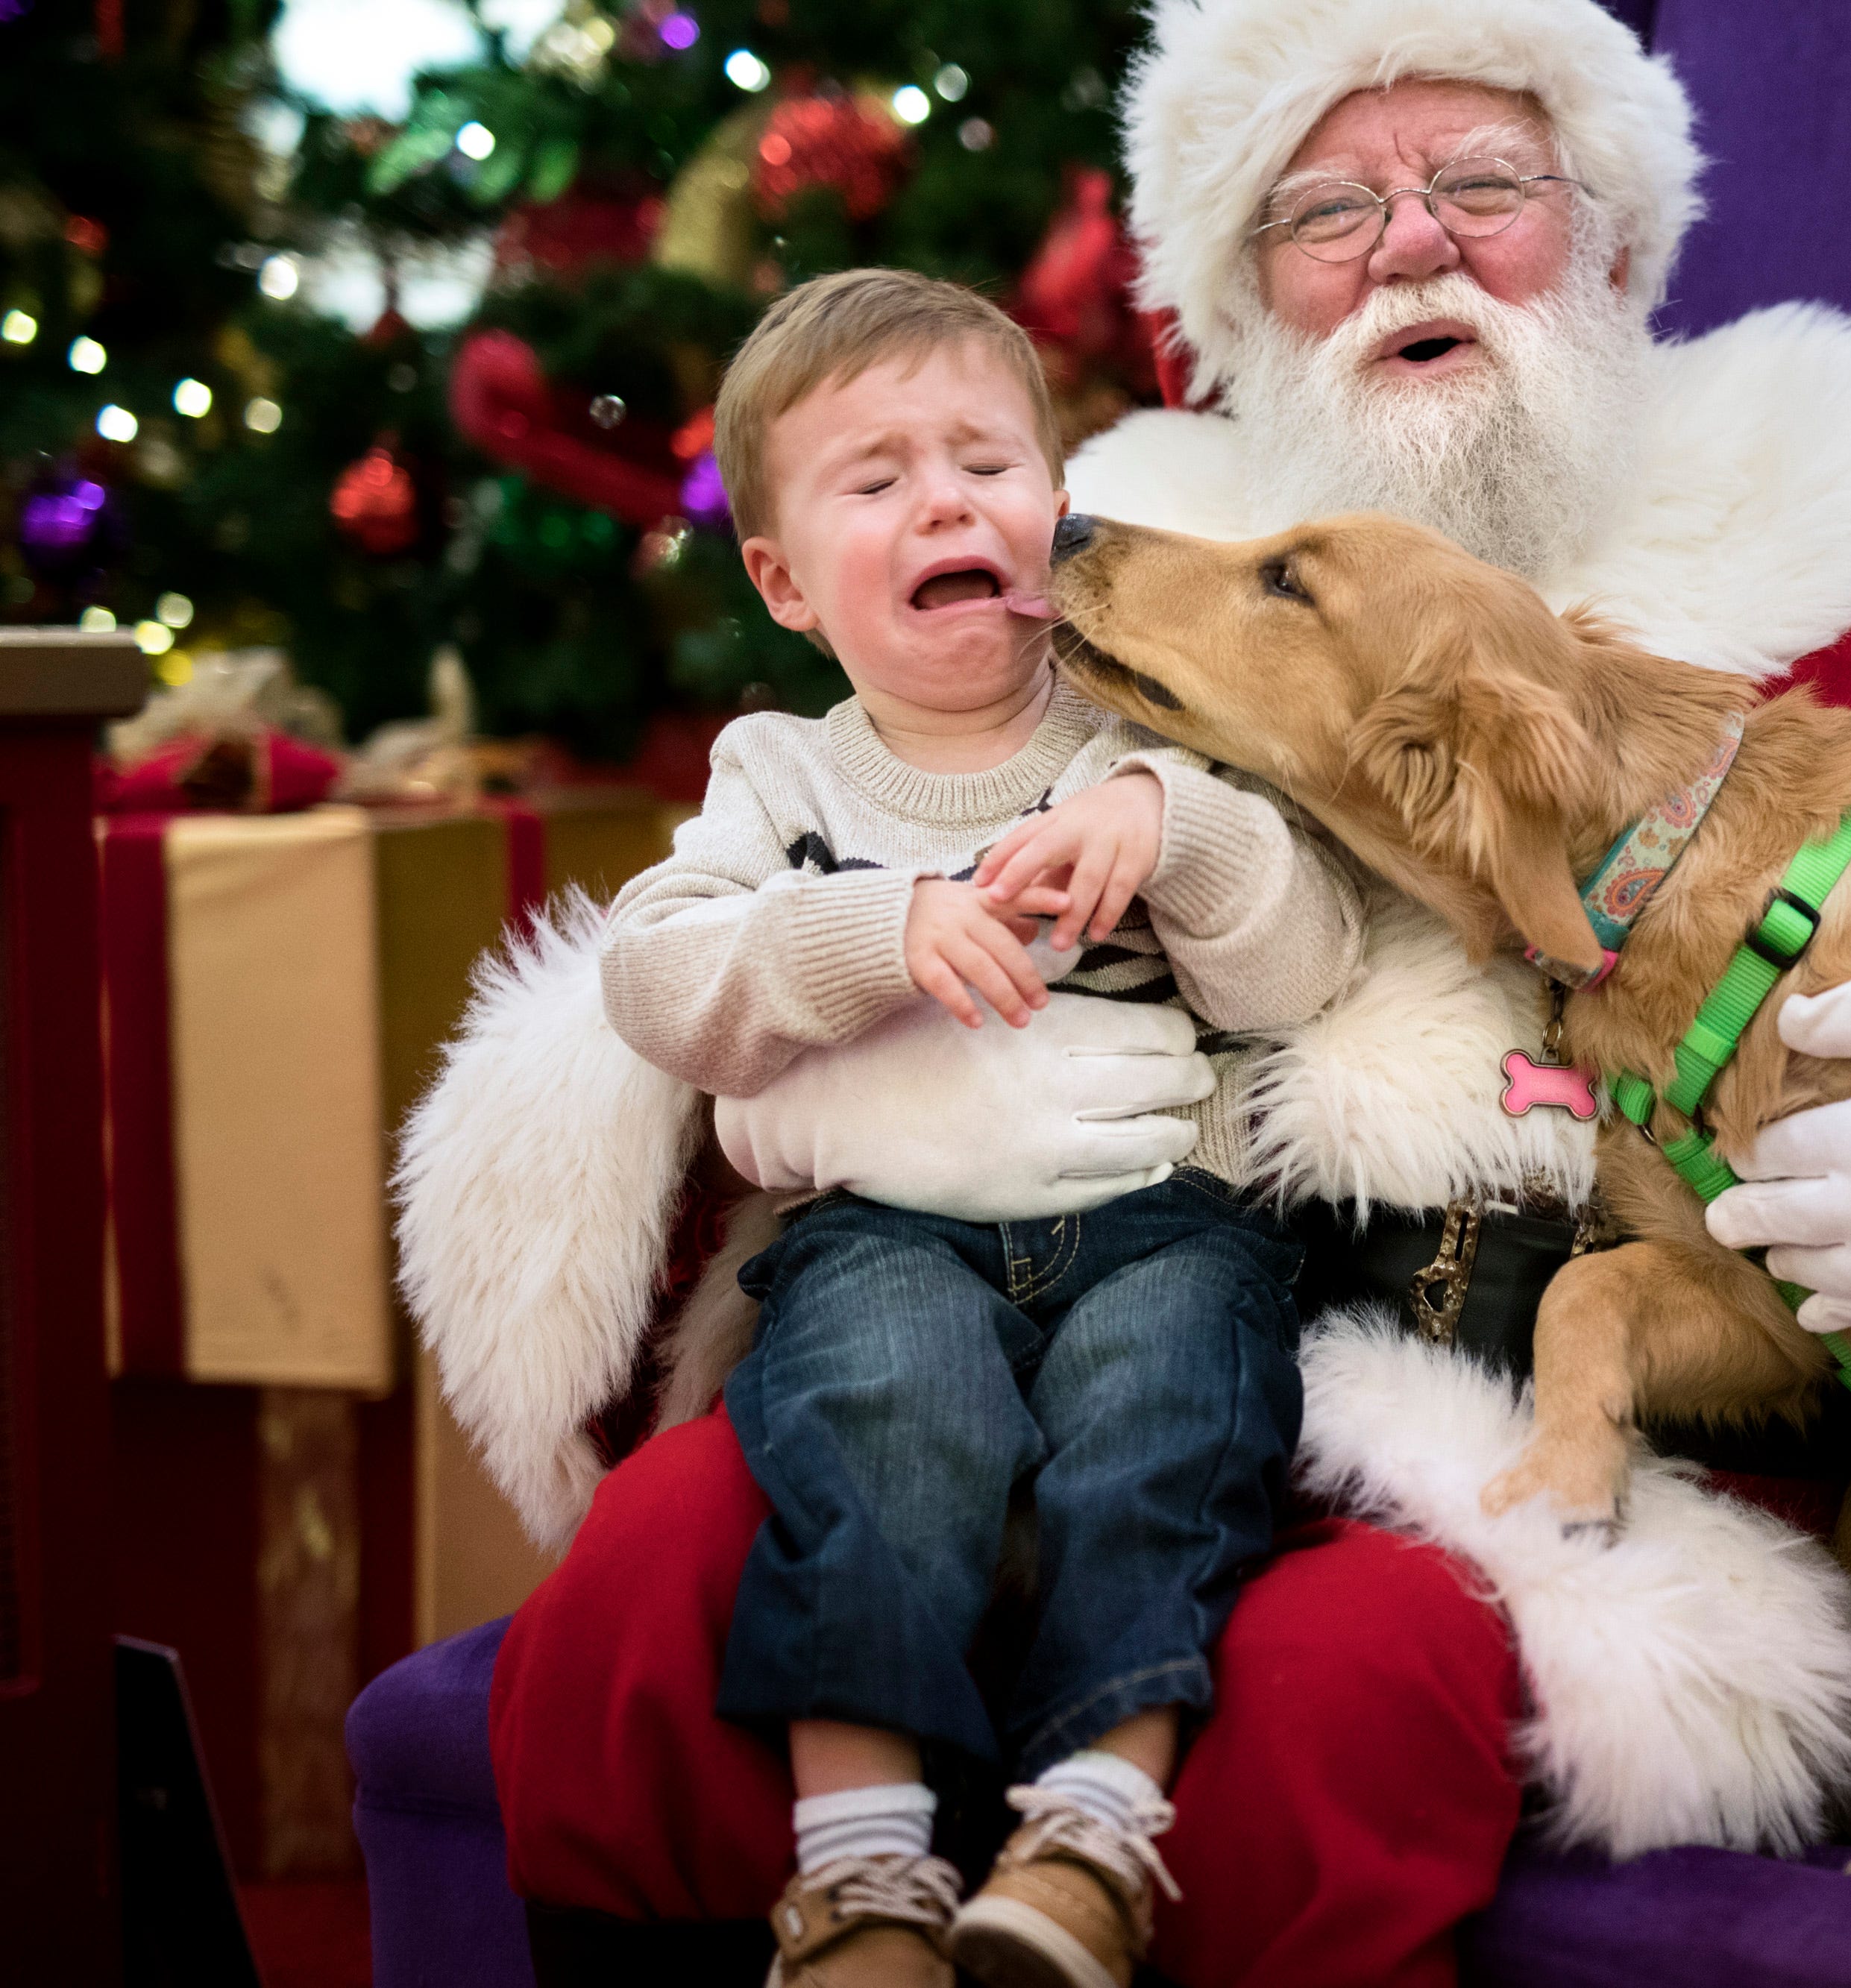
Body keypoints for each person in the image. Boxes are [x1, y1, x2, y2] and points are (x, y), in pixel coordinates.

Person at [400, 5, 1851, 1985]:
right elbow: (789, 871)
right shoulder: (1098, 573)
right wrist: (819, 1095)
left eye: (1482, 181)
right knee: (655, 1582)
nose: (1413, 243)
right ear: (1235, 299)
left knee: (1323, 1710)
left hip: (1628, 1447)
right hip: (1085, 1333)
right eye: (1326, 209)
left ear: (1608, 239)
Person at [594, 265, 1363, 1987]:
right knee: (884, 1412)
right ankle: (861, 1870)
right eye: (876, 480)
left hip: (1157, 1214)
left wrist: (1173, 828)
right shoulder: (779, 774)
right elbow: (655, 977)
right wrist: (870, 930)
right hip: (886, 1229)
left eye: (986, 464)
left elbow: (1301, 969)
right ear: (784, 582)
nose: (945, 501)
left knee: (1170, 1412)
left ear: (1055, 506)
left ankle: (1091, 1831)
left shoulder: (1144, 725)